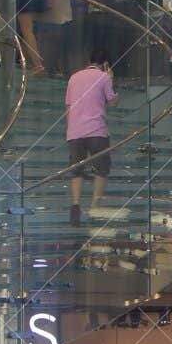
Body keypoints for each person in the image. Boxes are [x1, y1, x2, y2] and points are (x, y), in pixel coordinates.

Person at [65, 47, 118, 226]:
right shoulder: (104, 77)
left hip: (74, 131)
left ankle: (75, 205)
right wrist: (111, 78)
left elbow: (69, 106)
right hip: (96, 130)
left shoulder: (73, 77)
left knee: (76, 170)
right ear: (104, 64)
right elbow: (113, 102)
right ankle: (95, 206)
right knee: (102, 168)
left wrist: (70, 129)